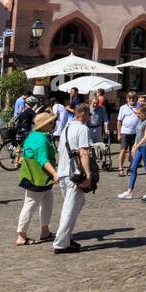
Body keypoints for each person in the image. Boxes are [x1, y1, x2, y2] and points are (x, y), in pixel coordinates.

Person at [53, 104, 94, 254]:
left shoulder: (67, 128)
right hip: (75, 175)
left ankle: (67, 237)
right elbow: (83, 152)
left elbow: (61, 150)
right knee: (69, 210)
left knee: (73, 206)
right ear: (82, 114)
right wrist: (88, 174)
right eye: (88, 114)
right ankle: (60, 243)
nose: (89, 117)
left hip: (64, 172)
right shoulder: (82, 129)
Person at [16, 111, 58, 245]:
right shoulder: (40, 138)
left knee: (47, 202)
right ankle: (21, 236)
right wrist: (55, 174)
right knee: (30, 205)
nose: (53, 124)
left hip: (41, 179)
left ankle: (45, 231)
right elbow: (43, 160)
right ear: (44, 124)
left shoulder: (35, 135)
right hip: (37, 178)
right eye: (51, 122)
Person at [119, 103, 146, 199]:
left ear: (145, 113)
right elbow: (138, 135)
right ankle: (129, 191)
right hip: (139, 147)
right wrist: (135, 145)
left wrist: (136, 146)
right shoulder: (140, 121)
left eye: (139, 113)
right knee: (133, 168)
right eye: (137, 113)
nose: (137, 115)